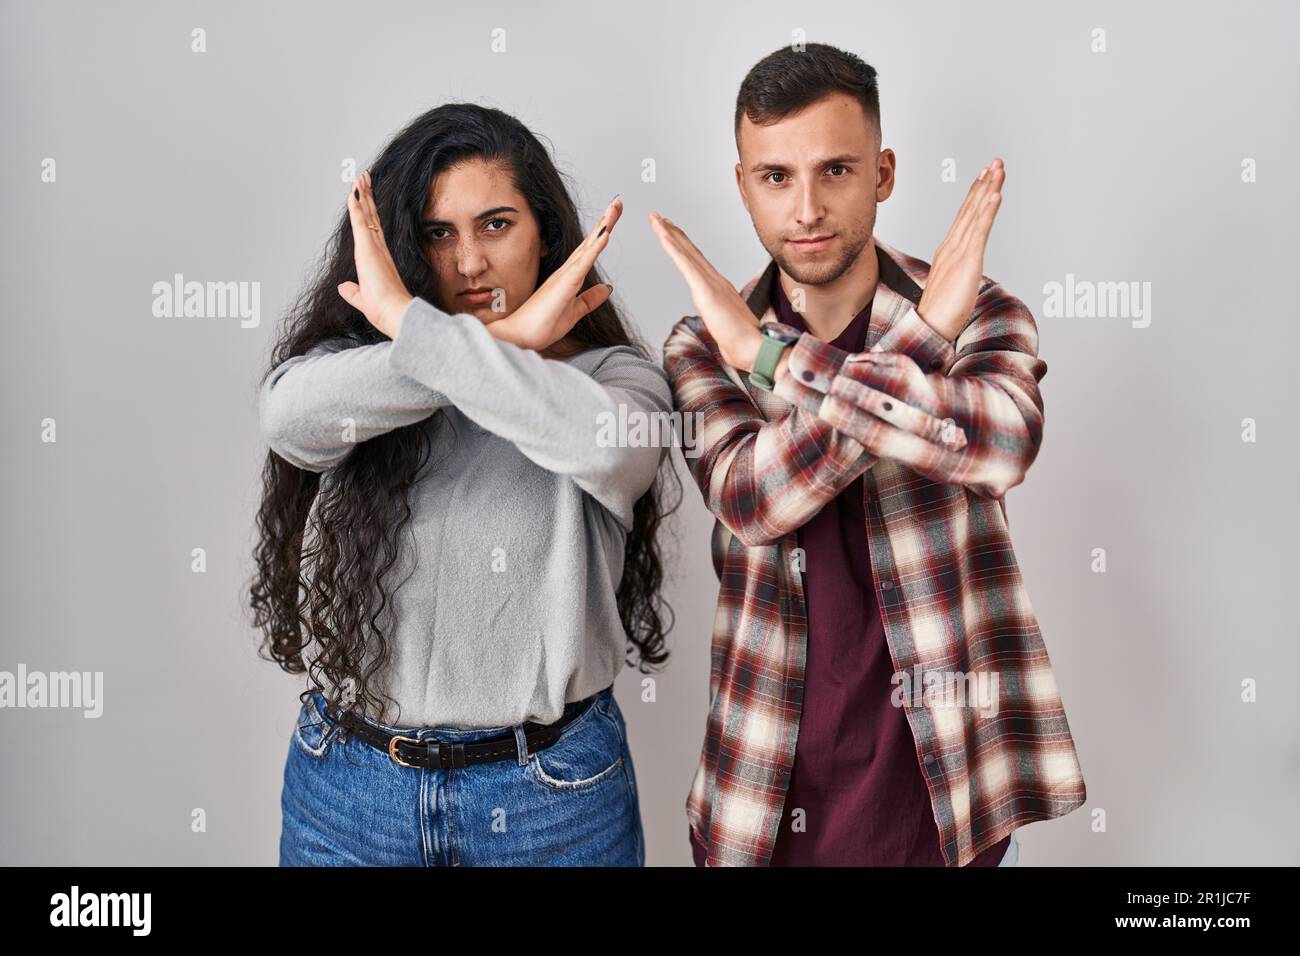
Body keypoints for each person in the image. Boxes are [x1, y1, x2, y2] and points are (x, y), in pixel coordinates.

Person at [656, 43, 1086, 867]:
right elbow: (751, 498)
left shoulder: (983, 309)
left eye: (836, 171)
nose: (807, 207)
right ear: (743, 186)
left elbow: (999, 445)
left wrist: (779, 363)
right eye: (776, 177)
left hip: (947, 802)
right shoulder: (706, 345)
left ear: (883, 173)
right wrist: (922, 344)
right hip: (765, 798)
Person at [248, 103, 679, 866]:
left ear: (545, 231)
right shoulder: (376, 376)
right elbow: (289, 418)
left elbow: (609, 451)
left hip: (550, 803)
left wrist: (436, 340)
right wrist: (500, 337)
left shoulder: (614, 379)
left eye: (496, 225)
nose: (469, 263)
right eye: (437, 233)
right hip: (349, 794)